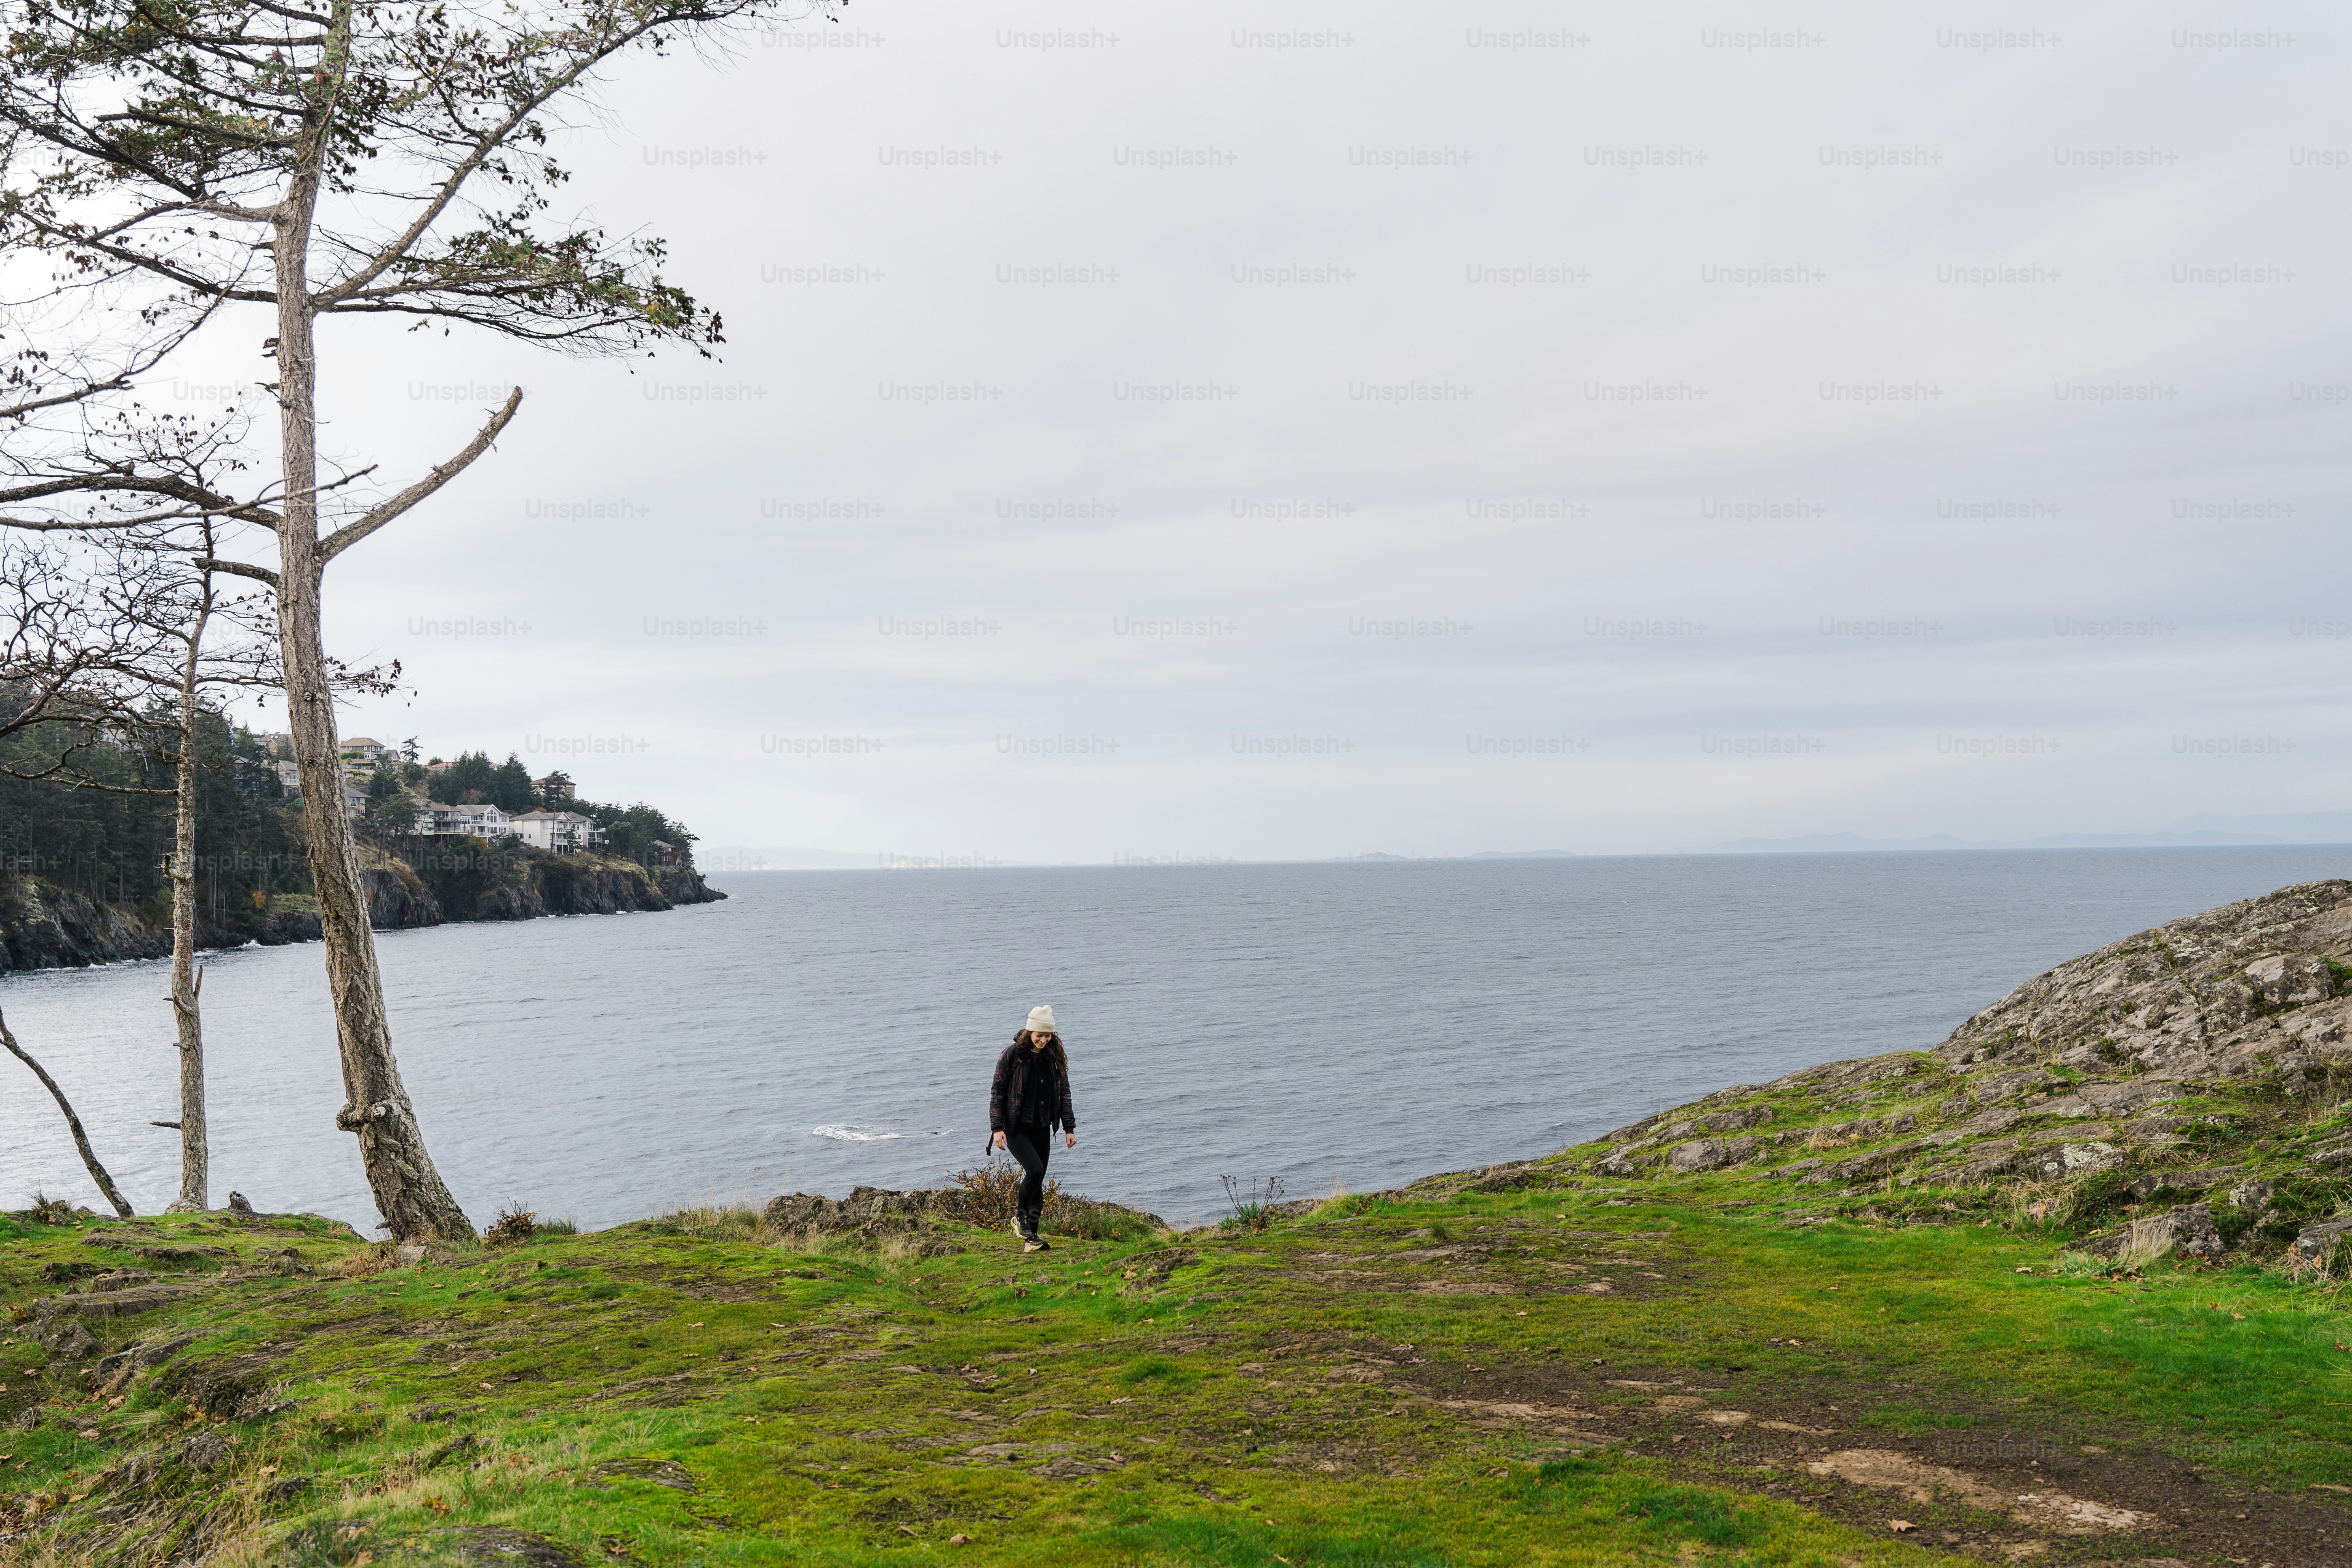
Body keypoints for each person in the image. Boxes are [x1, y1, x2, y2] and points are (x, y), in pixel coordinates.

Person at [988, 1004, 1077, 1252]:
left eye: (1048, 1036)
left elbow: (1065, 1094)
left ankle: (1032, 1239)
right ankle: (1019, 1218)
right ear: (1030, 1032)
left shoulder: (1054, 1057)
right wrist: (997, 1128)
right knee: (1035, 1170)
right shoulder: (1013, 1054)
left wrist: (1069, 1127)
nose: (1043, 1040)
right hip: (1015, 1127)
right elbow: (997, 1091)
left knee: (1038, 1181)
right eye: (1039, 1035)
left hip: (1042, 1125)